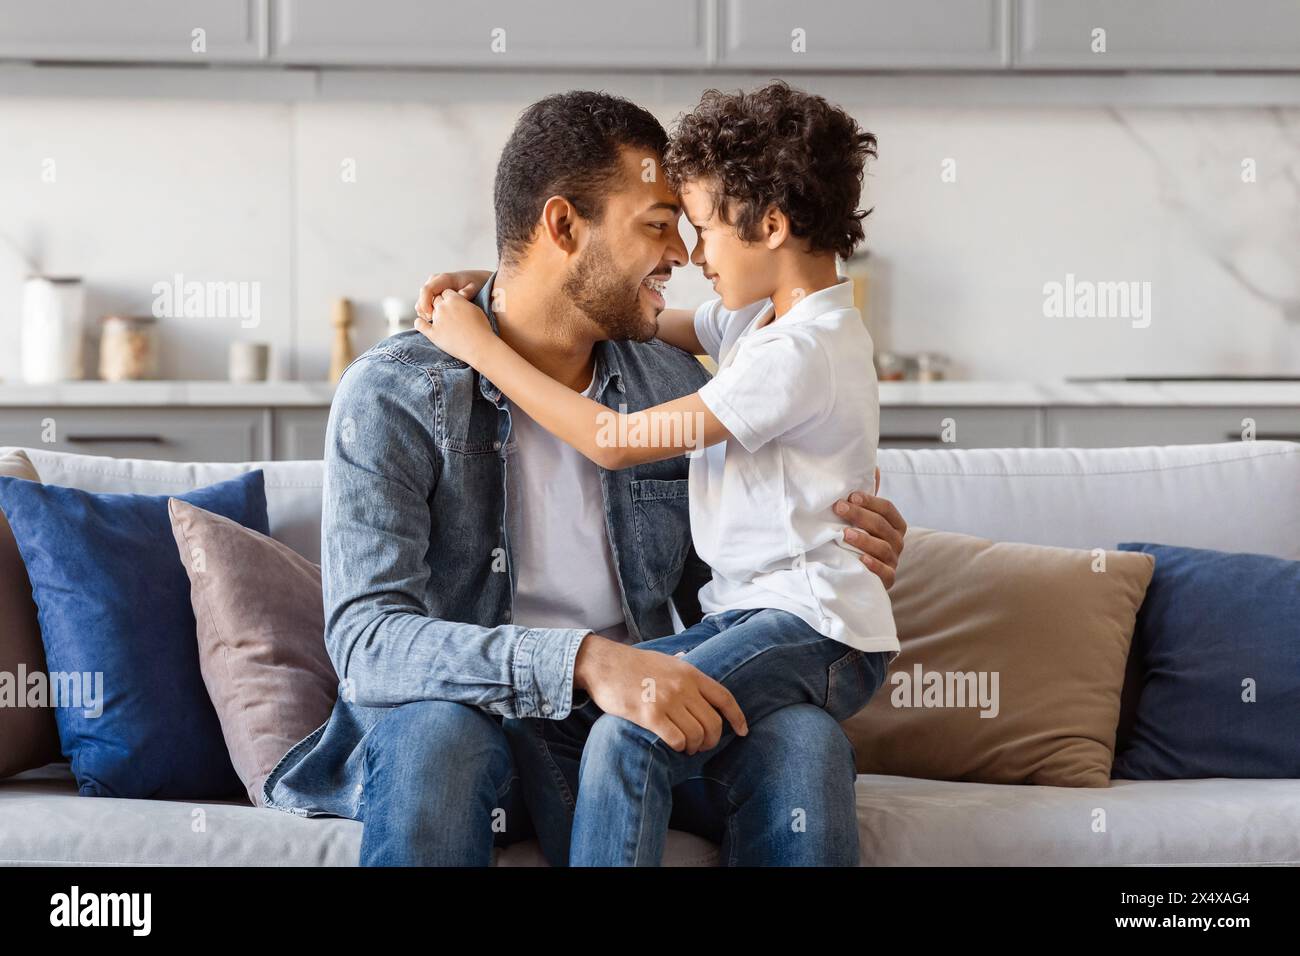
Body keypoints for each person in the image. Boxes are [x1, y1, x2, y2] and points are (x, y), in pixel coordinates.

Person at [262, 89, 909, 867]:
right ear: (563, 225)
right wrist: (583, 661)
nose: (683, 255)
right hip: (475, 719)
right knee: (438, 739)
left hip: (628, 720)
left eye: (688, 225)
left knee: (802, 739)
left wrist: (837, 539)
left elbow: (742, 563)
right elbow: (369, 643)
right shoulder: (396, 394)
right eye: (657, 225)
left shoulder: (675, 382)